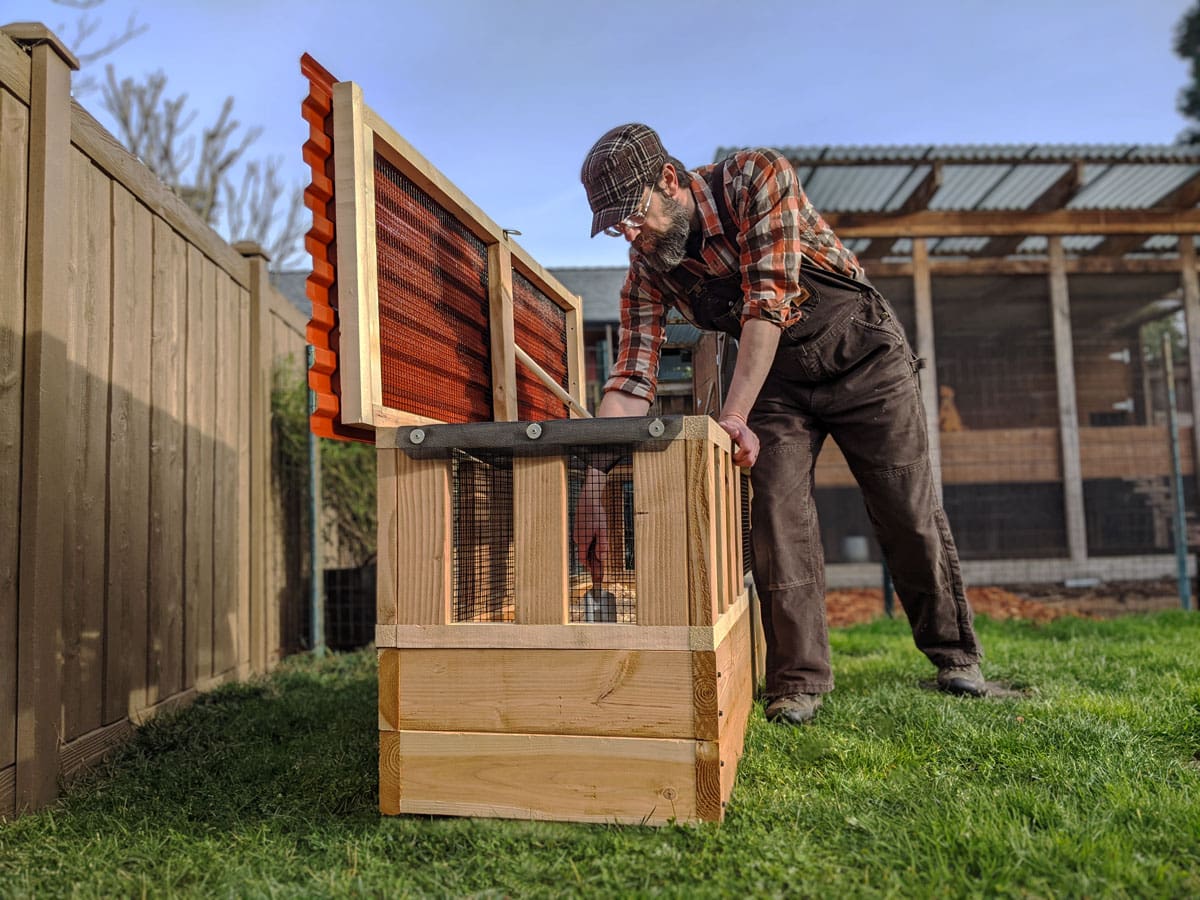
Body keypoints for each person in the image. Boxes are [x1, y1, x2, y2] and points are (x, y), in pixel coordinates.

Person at [575, 123, 990, 726]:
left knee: (905, 506)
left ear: (668, 180)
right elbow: (632, 378)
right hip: (774, 384)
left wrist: (734, 415)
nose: (630, 235)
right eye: (617, 227)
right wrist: (593, 486)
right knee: (774, 518)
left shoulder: (754, 177)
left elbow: (767, 302)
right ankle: (797, 684)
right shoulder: (646, 271)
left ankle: (954, 657)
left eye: (633, 215)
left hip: (862, 357)